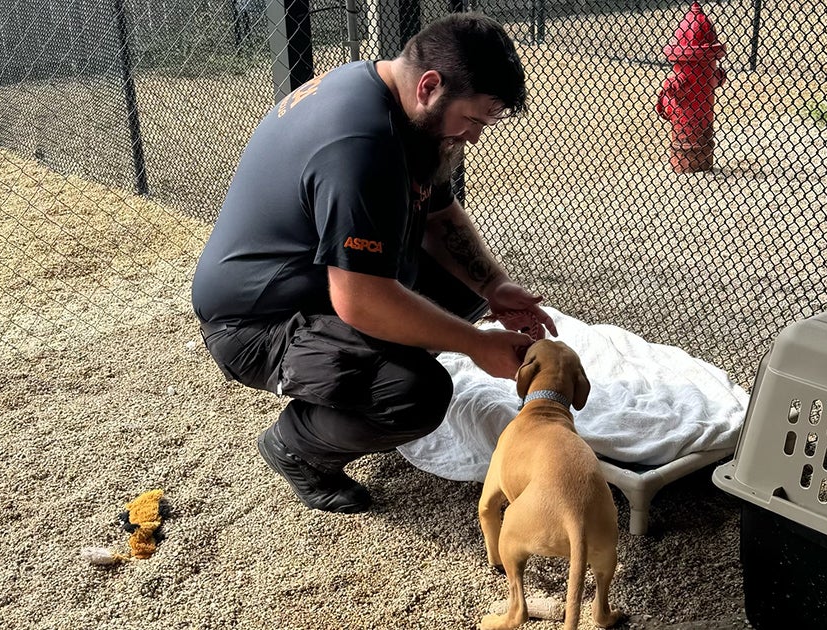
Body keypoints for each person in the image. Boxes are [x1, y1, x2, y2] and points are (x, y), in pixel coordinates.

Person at [191, 12, 557, 514]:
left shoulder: (398, 102)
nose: (473, 138)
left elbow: (438, 213)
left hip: (318, 280)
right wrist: (477, 345)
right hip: (256, 321)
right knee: (416, 394)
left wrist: (495, 287)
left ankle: (371, 369)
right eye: (473, 121)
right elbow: (361, 300)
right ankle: (295, 446)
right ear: (430, 85)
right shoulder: (360, 144)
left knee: (464, 291)